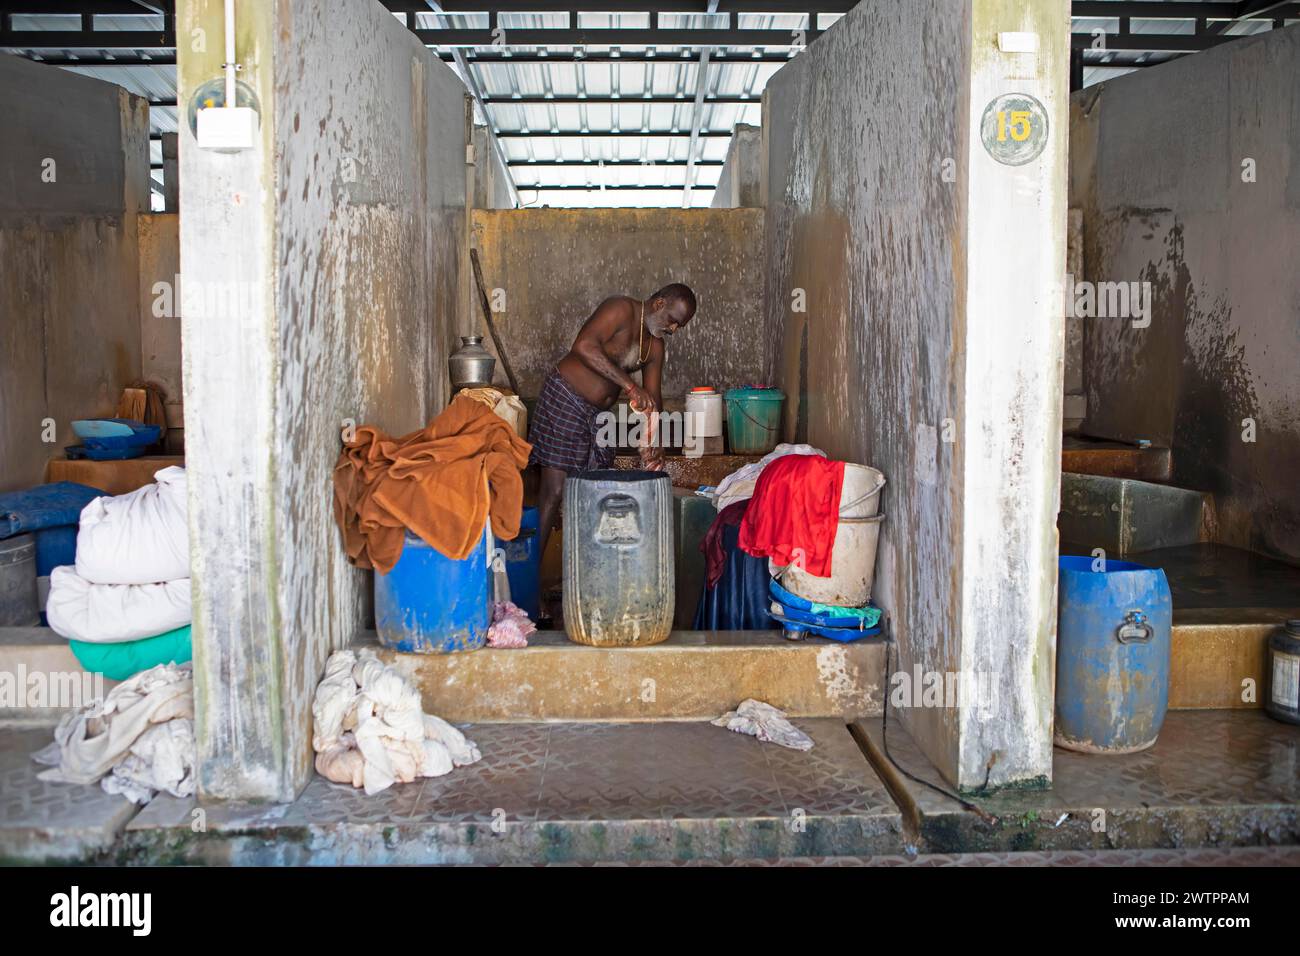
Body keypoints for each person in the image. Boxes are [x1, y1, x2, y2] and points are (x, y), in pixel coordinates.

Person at [528, 283, 698, 580]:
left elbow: (653, 399)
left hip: (597, 417)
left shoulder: (655, 346)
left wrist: (652, 440)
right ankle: (529, 589)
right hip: (565, 397)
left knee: (594, 494)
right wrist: (630, 386)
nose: (673, 329)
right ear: (658, 304)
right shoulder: (620, 308)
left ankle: (585, 586)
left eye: (680, 326)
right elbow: (582, 347)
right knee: (553, 493)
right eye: (672, 319)